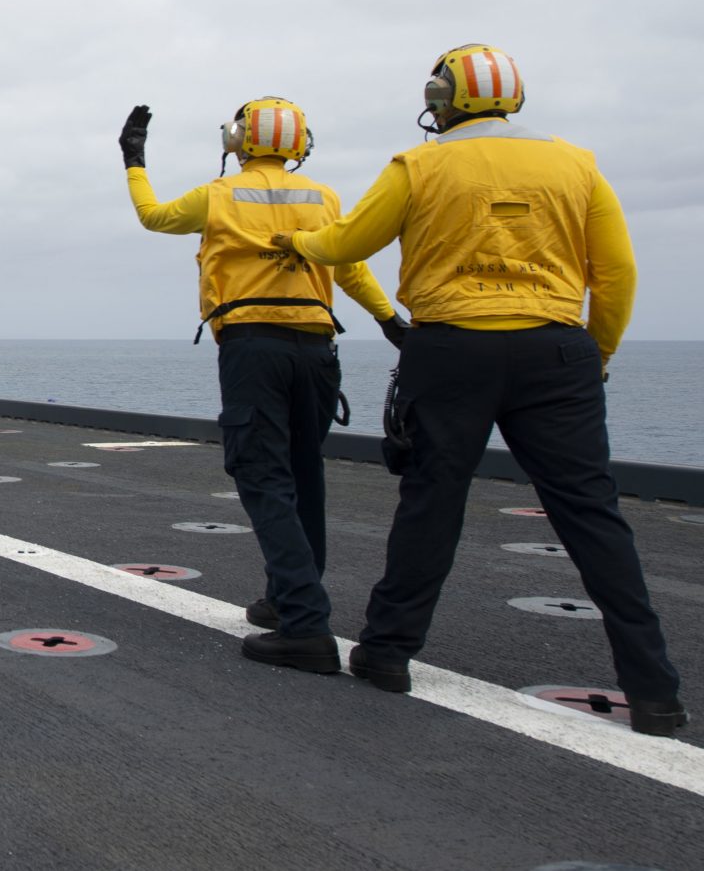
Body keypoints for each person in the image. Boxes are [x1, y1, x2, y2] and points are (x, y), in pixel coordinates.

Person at [277, 44, 684, 736]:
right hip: (557, 351)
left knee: (432, 501)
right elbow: (616, 273)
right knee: (592, 513)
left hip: (450, 348)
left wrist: (300, 244)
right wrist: (598, 353)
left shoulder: (419, 164)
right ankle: (654, 690)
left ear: (442, 98)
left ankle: (388, 651)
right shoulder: (576, 163)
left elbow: (347, 243)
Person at [122, 98, 406, 674]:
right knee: (304, 473)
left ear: (238, 139)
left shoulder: (219, 195)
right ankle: (284, 599)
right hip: (317, 348)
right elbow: (349, 267)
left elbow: (153, 217)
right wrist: (389, 321)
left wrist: (134, 160)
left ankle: (305, 622)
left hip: (254, 346)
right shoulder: (323, 198)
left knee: (262, 473)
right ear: (300, 144)